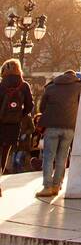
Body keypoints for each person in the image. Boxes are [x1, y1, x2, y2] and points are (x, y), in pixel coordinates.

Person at [34, 69, 81, 199]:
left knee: (49, 157)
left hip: (52, 126)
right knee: (62, 157)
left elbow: (42, 108)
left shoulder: (51, 87)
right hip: (70, 127)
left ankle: (47, 187)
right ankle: (57, 185)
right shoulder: (79, 87)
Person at [0, 59, 34, 196]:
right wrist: (19, 116)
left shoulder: (1, 85)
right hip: (13, 127)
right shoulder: (24, 85)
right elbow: (30, 106)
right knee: (4, 154)